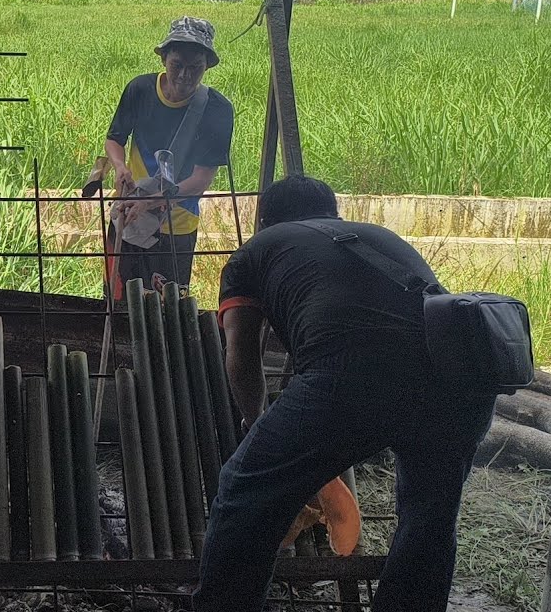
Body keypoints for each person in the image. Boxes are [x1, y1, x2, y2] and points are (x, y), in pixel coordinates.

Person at [193, 175, 497, 611]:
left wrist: (255, 420)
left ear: (264, 219)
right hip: (458, 381)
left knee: (245, 494)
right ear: (331, 212)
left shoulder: (255, 252)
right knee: (428, 518)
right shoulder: (376, 236)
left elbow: (240, 355)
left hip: (347, 376)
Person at [104, 16, 234, 295]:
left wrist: (152, 201)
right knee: (119, 301)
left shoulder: (217, 109)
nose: (185, 76)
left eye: (195, 68)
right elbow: (115, 138)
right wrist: (119, 167)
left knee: (169, 308)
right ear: (163, 59)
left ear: (207, 67)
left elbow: (200, 181)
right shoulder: (139, 90)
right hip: (130, 216)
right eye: (177, 66)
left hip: (177, 225)